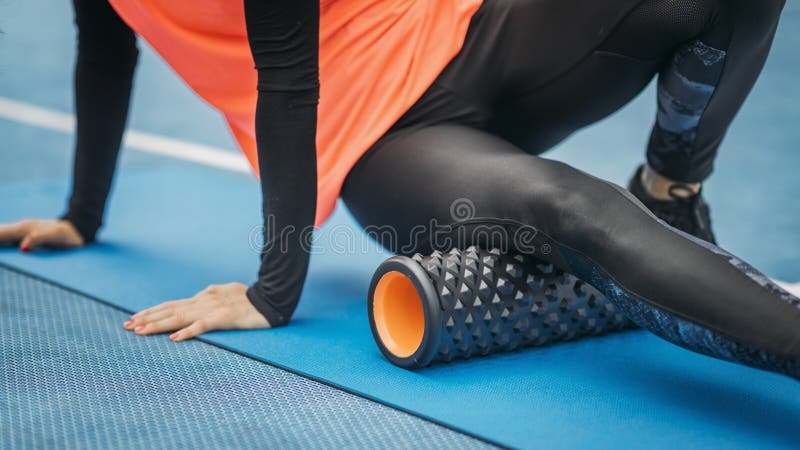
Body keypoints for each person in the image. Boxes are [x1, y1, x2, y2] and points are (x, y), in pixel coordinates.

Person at [1, 0, 797, 377]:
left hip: (476, 32)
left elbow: (284, 75)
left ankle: (670, 191)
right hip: (384, 144)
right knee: (571, 209)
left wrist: (272, 292)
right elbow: (105, 47)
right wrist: (82, 215)